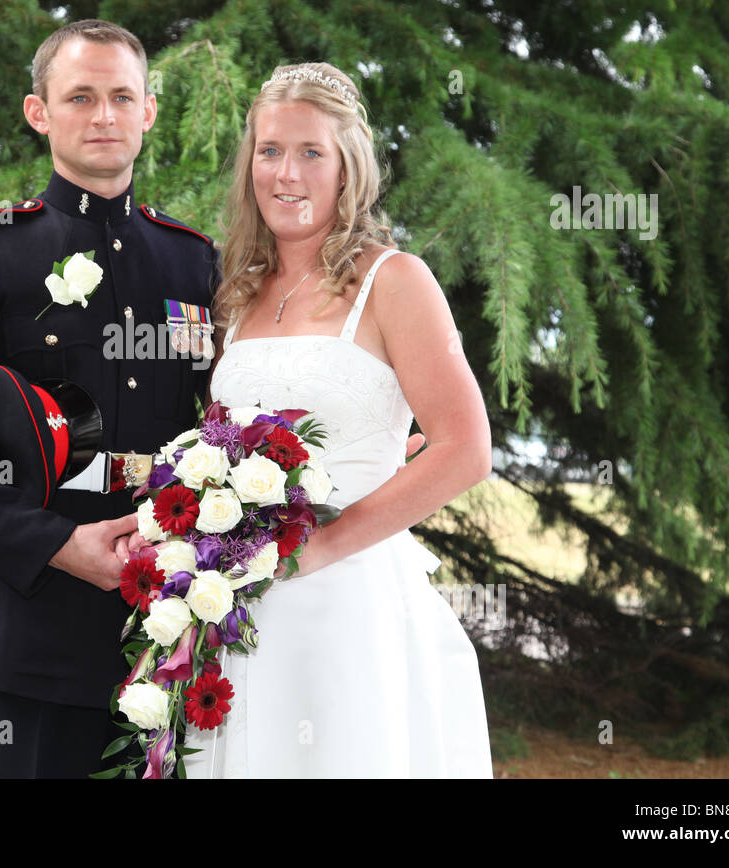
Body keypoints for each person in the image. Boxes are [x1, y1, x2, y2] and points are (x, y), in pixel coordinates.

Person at [0, 20, 220, 778]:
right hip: (28, 625)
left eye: (120, 97)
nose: (103, 116)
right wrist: (51, 545)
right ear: (39, 112)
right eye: (80, 97)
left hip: (171, 625)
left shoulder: (193, 261)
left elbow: (225, 419)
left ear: (149, 113)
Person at [181, 62, 494, 777]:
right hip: (236, 607)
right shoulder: (236, 292)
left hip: (352, 603)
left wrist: (318, 549)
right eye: (269, 151)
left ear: (348, 167)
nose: (286, 173)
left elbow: (465, 448)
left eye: (310, 153)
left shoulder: (396, 281)